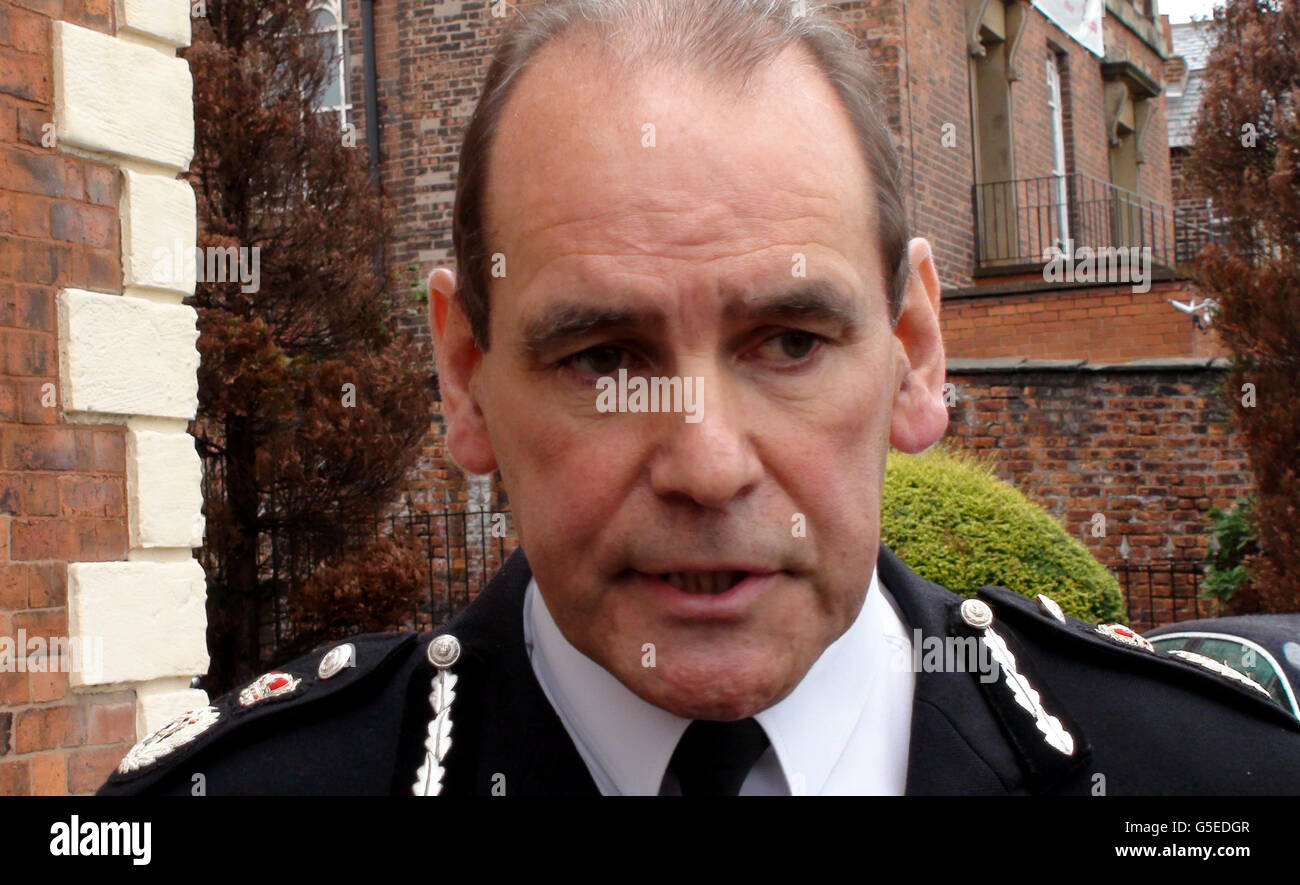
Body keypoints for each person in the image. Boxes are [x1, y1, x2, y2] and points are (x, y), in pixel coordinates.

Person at [98, 0, 1300, 797]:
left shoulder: (1212, 783)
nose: (708, 464)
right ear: (464, 374)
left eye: (786, 340)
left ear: (915, 352)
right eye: (602, 358)